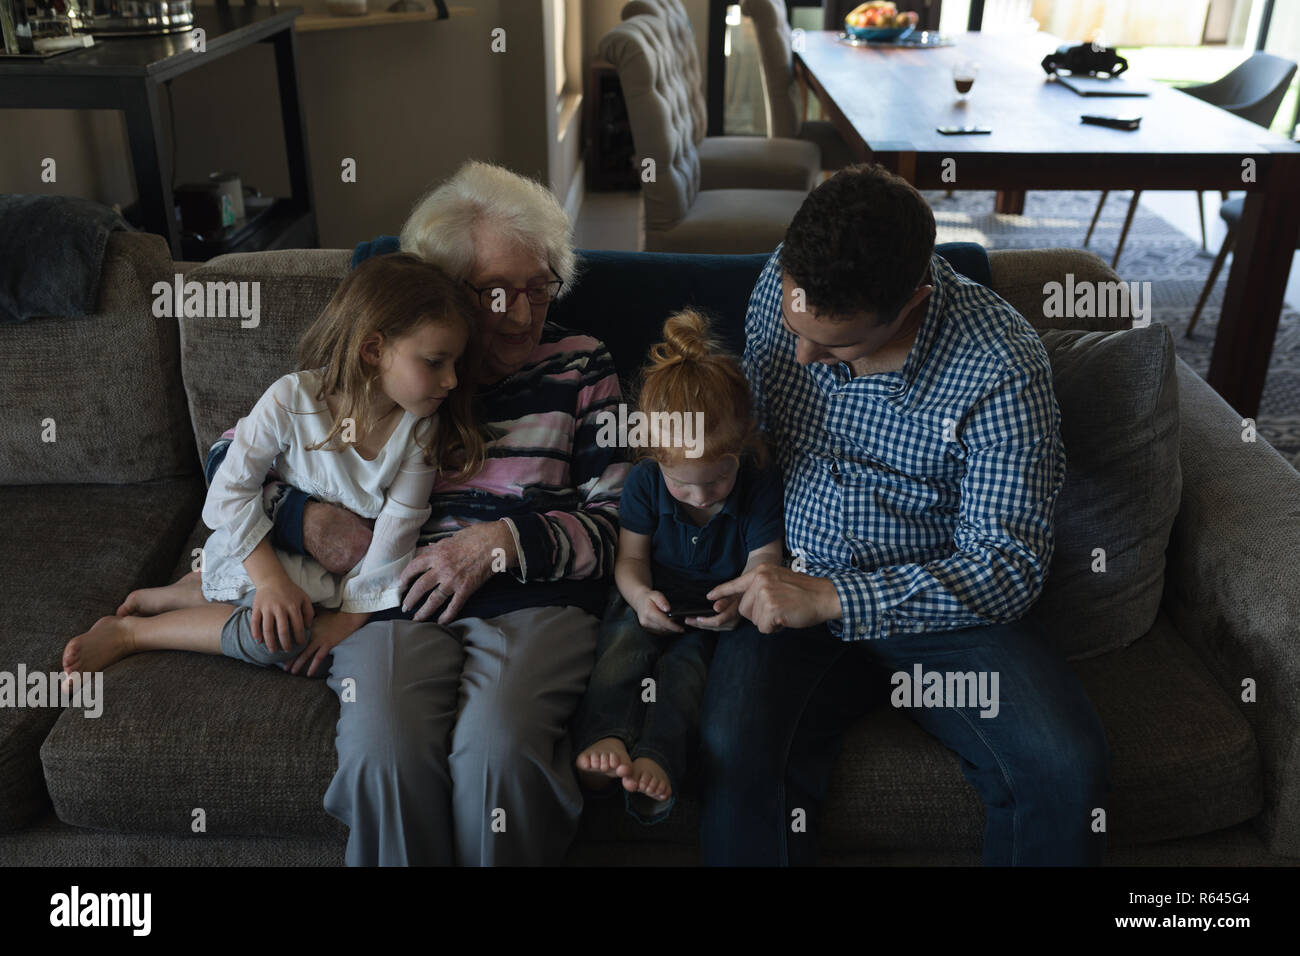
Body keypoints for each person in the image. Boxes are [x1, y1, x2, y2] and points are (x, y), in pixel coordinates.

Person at [202, 160, 629, 865]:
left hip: (534, 600)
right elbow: (230, 460)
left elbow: (620, 518)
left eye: (538, 286)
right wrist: (303, 519)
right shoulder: (393, 371)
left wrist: (499, 543)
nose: (523, 314)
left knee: (499, 758)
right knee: (385, 756)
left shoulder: (580, 365)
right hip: (388, 600)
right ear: (447, 293)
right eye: (496, 294)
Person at [701, 162, 1111, 866]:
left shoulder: (1000, 365)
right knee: (733, 750)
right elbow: (757, 450)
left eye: (835, 345)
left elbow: (1007, 567)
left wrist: (834, 597)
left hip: (942, 617)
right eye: (796, 326)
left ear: (913, 300)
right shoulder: (783, 283)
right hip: (789, 586)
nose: (800, 355)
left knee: (1064, 764)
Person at [61, 254, 484, 678]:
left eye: (455, 364)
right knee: (280, 641)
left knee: (315, 637)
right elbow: (230, 489)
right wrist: (269, 581)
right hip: (258, 552)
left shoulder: (419, 431)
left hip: (329, 575)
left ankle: (197, 590)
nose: (451, 380)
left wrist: (346, 621)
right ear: (374, 350)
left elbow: (396, 535)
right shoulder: (292, 399)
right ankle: (133, 634)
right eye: (434, 362)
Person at [572, 309, 784, 824]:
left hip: (714, 609)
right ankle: (606, 736)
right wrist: (641, 598)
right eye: (682, 483)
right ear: (655, 457)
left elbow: (764, 569)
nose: (699, 496)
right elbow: (630, 559)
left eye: (715, 481)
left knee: (686, 675)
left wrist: (739, 604)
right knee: (621, 649)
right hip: (650, 594)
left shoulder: (758, 485)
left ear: (742, 448)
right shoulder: (645, 482)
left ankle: (657, 757)